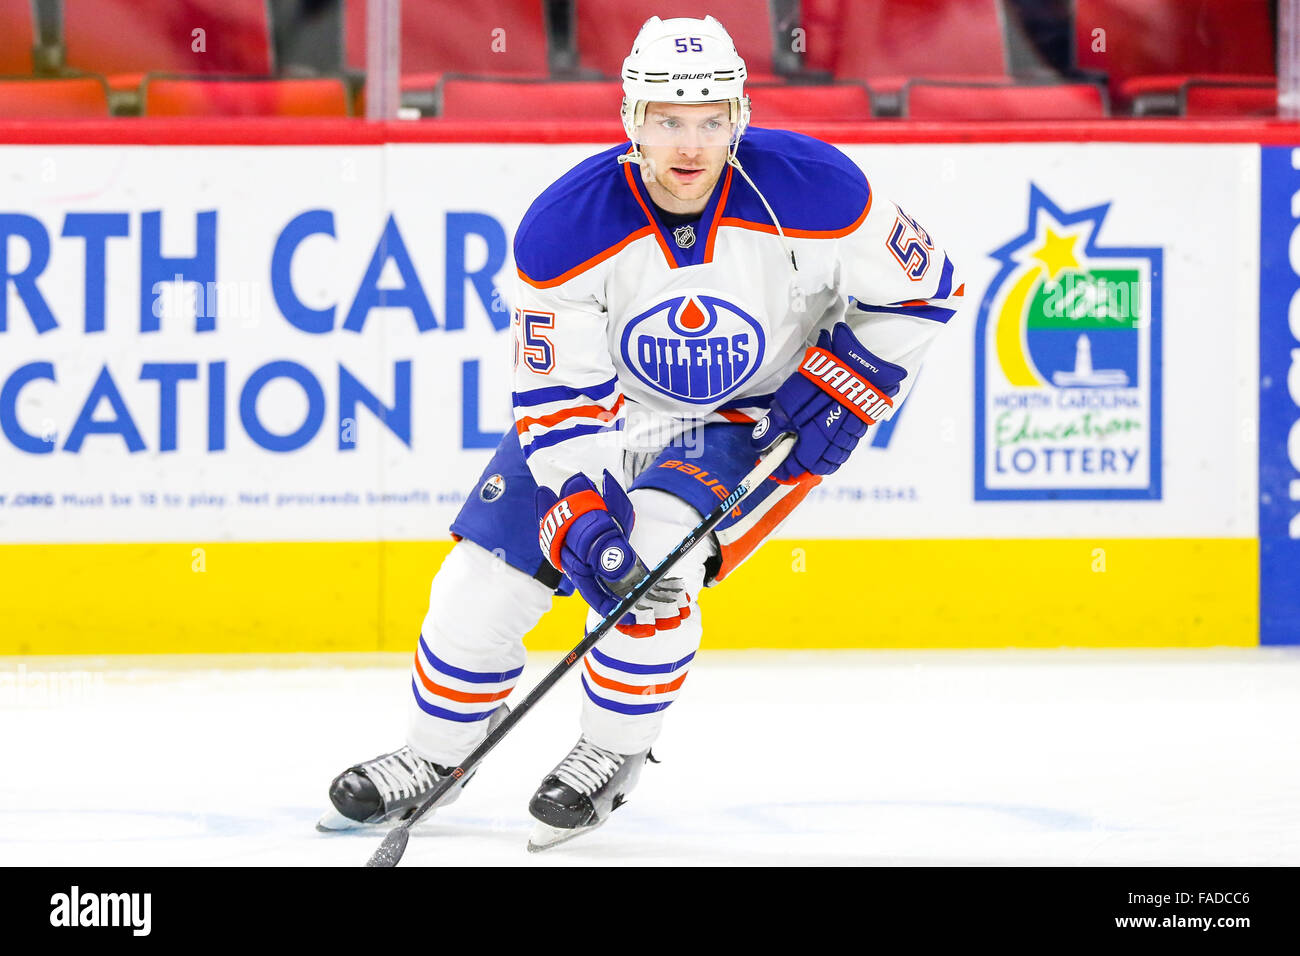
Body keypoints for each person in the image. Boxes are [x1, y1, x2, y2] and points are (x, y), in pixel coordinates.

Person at [317, 14, 962, 851]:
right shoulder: (564, 226)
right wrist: (577, 502)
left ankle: (609, 752)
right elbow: (557, 398)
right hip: (611, 412)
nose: (689, 144)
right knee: (478, 583)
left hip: (743, 422)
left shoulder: (819, 189)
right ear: (631, 120)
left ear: (740, 116)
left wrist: (847, 382)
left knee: (653, 572)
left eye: (708, 119)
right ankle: (436, 754)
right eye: (667, 120)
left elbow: (925, 290)